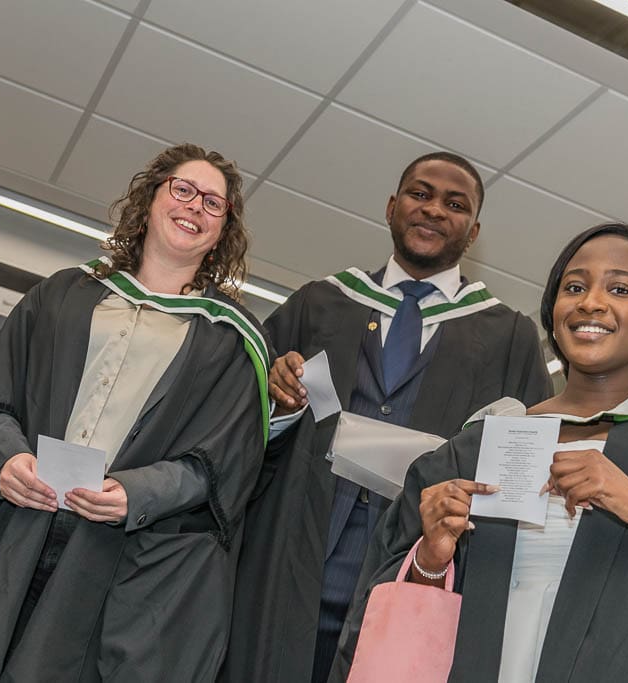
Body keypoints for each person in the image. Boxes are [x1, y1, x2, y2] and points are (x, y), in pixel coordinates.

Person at [334, 223, 628, 682]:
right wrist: (431, 559)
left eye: (620, 290)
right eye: (574, 287)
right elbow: (383, 626)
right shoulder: (473, 447)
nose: (592, 302)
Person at [0, 143, 272, 681]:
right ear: (152, 197)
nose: (195, 207)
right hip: (14, 520)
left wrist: (135, 493)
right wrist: (6, 460)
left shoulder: (230, 341)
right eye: (183, 190)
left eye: (214, 203)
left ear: (224, 228)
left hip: (115, 552)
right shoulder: (65, 294)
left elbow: (219, 462)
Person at [228, 151, 552, 682]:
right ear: (391, 207)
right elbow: (233, 425)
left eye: (455, 204)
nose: (433, 210)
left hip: (414, 573)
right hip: (289, 567)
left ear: (472, 233)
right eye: (420, 194)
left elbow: (522, 475)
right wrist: (274, 397)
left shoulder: (507, 336)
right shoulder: (319, 304)